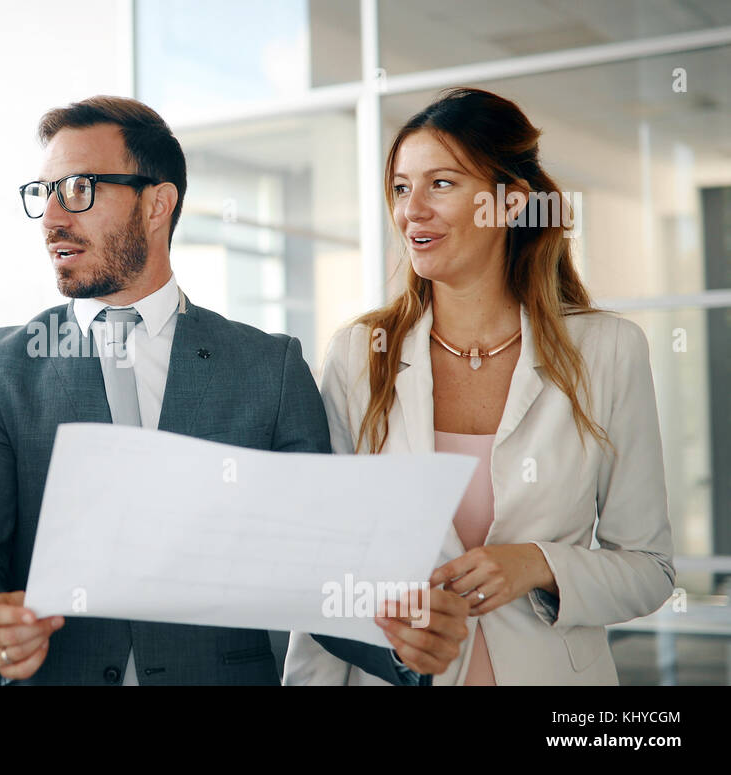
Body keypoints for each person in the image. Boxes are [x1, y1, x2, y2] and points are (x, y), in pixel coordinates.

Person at [0, 95, 469, 685]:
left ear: (158, 203)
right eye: (44, 194)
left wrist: (398, 637)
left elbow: (317, 567)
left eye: (80, 189)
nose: (54, 219)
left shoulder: (271, 367)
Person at [285, 87, 674, 686]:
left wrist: (539, 564)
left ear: (510, 204)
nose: (411, 210)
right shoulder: (361, 356)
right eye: (400, 187)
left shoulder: (608, 351)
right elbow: (327, 565)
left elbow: (649, 569)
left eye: (441, 184)